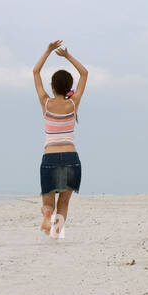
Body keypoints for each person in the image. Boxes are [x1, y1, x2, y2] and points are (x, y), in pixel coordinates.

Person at [31, 40, 88, 238]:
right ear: (69, 87)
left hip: (50, 158)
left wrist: (47, 51)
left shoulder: (45, 103)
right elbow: (84, 73)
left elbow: (36, 72)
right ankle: (56, 233)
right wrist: (68, 56)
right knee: (64, 203)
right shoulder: (73, 103)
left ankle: (47, 214)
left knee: (49, 203)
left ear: (52, 86)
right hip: (72, 158)